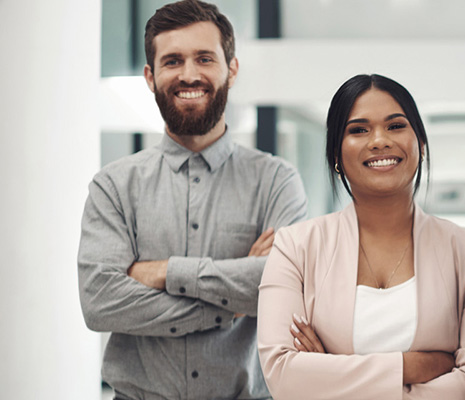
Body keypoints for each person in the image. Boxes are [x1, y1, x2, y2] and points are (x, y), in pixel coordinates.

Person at [77, 0, 308, 398]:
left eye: (204, 58)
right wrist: (229, 304)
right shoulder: (113, 186)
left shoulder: (276, 180)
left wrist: (166, 272)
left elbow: (287, 288)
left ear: (230, 69)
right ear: (150, 76)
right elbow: (101, 301)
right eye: (172, 61)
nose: (188, 74)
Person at [256, 74, 465, 399]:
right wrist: (411, 367)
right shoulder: (295, 247)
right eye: (358, 130)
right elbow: (283, 376)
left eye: (396, 126)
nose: (379, 140)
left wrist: (329, 372)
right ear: (336, 156)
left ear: (421, 145)